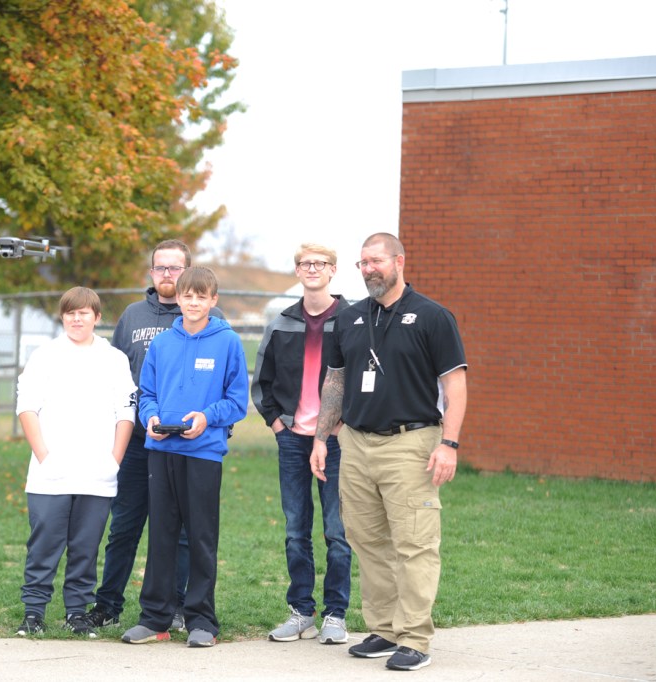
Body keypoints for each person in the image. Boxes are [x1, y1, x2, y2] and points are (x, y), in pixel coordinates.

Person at [311, 233, 467, 672]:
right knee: (367, 540)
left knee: (414, 543)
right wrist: (322, 437)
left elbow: (456, 385)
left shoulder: (433, 317)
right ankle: (385, 628)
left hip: (411, 443)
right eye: (362, 263)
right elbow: (336, 381)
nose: (368, 269)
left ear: (399, 261)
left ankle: (416, 638)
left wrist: (449, 444)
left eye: (376, 261)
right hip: (356, 443)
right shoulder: (350, 318)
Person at [85, 240, 225, 632]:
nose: (167, 274)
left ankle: (180, 607)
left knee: (180, 529)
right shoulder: (131, 316)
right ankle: (109, 603)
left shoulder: (215, 326)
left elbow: (225, 388)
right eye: (160, 268)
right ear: (152, 273)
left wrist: (211, 423)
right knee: (125, 526)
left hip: (191, 446)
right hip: (138, 439)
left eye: (175, 268)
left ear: (189, 273)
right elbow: (118, 377)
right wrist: (136, 420)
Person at [121, 266, 248, 648]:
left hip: (204, 452)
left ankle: (201, 620)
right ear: (178, 297)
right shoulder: (162, 343)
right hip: (162, 450)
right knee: (160, 534)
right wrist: (152, 418)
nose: (193, 302)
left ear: (213, 300)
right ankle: (156, 618)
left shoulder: (227, 342)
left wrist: (207, 418)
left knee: (200, 536)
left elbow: (237, 401)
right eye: (187, 295)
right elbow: (147, 394)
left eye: (201, 296)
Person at [14, 287, 136, 638]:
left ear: (97, 317)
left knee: (85, 547)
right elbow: (27, 408)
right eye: (70, 313)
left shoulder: (113, 359)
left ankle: (77, 613)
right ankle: (34, 613)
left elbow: (125, 413)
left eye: (84, 313)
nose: (77, 318)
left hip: (97, 475)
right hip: (50, 475)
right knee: (44, 546)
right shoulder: (44, 355)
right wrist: (44, 457)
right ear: (62, 316)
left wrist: (113, 461)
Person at [252, 243, 353, 645]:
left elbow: (360, 379)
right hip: (292, 440)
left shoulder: (351, 320)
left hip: (338, 441)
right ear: (297, 271)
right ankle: (301, 611)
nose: (312, 269)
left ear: (332, 270)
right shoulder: (282, 322)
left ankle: (335, 614)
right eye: (305, 263)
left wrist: (339, 428)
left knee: (336, 531)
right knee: (296, 530)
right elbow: (262, 380)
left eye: (320, 264)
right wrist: (277, 424)